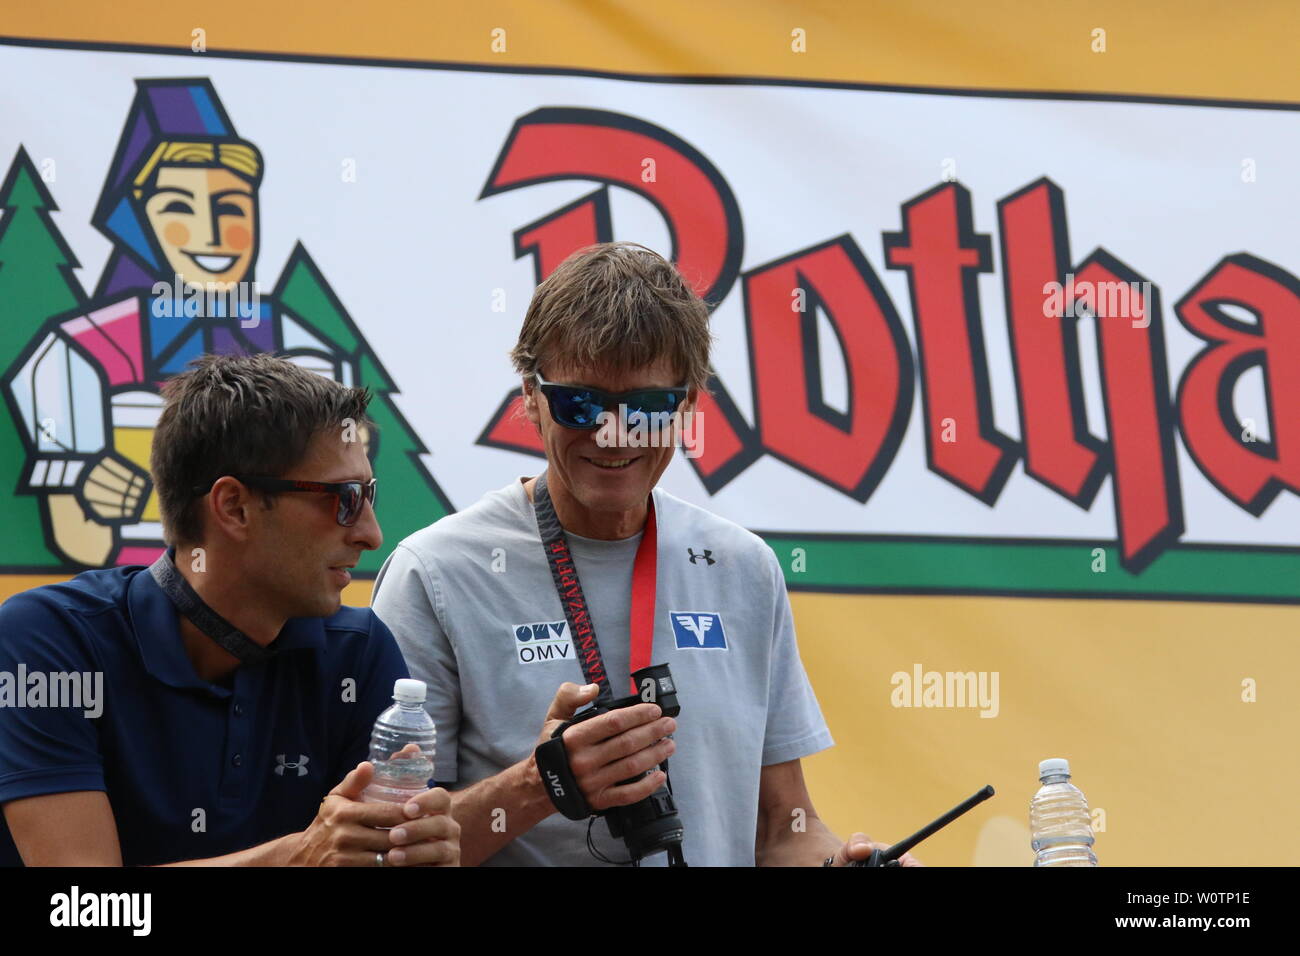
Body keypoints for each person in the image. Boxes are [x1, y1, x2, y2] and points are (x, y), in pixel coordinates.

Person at [371, 242, 919, 867]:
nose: (613, 433)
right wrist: (539, 784)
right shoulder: (435, 573)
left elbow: (783, 827)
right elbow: (389, 850)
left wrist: (837, 863)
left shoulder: (743, 566)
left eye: (647, 408)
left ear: (687, 406)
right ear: (530, 395)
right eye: (581, 403)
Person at [0, 353, 459, 866]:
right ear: (234, 507)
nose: (371, 535)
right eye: (345, 498)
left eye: (368, 494)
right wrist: (299, 857)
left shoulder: (359, 649)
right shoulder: (48, 640)